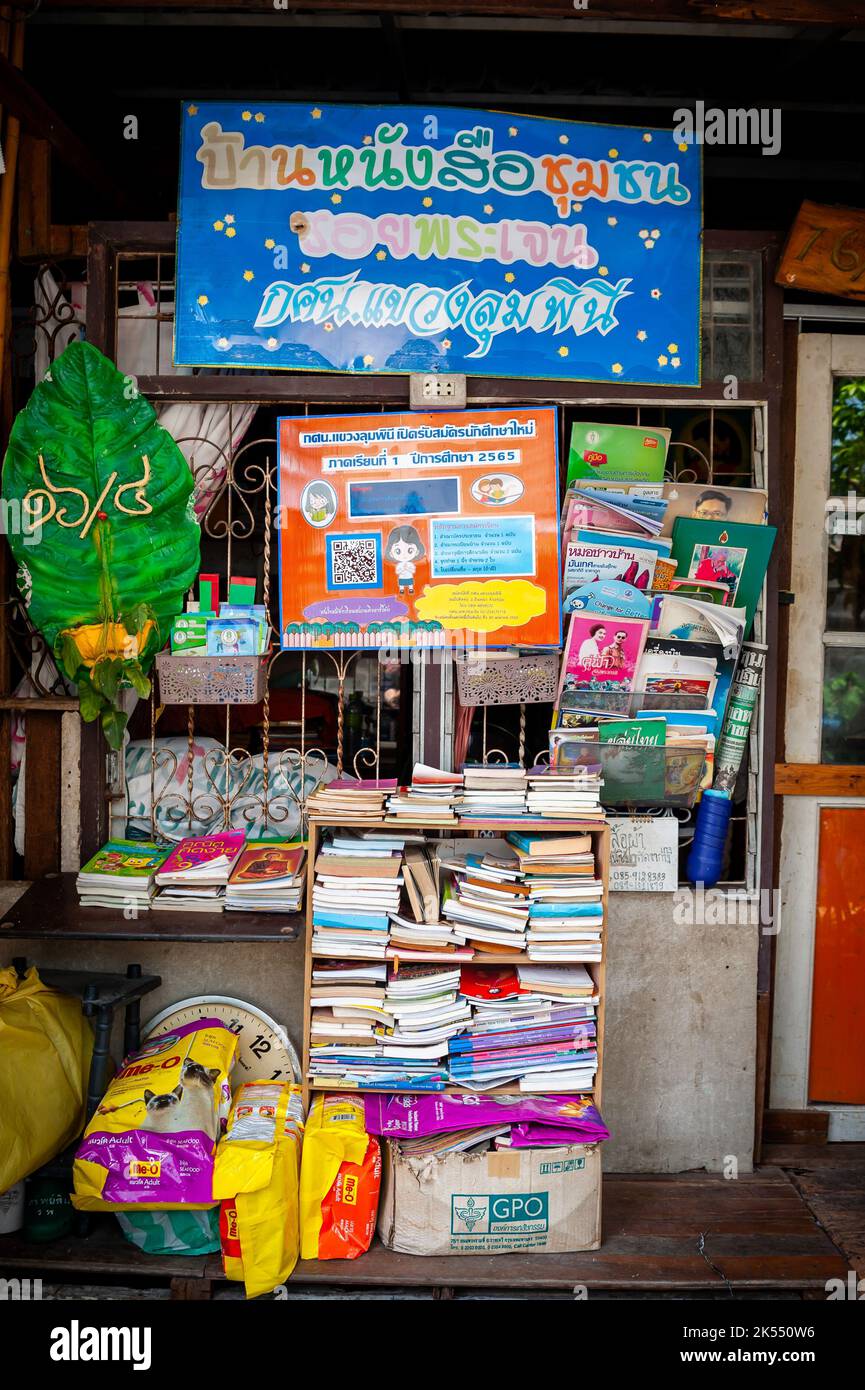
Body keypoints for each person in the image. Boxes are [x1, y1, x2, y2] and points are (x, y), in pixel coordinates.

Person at [384, 524, 425, 595]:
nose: (404, 555)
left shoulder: (410, 564)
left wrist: (408, 569)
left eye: (410, 550)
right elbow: (397, 572)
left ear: (417, 551)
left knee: (410, 584)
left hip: (409, 576)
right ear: (391, 553)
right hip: (401, 577)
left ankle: (411, 589)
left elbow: (413, 571)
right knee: (401, 584)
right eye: (398, 551)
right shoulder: (399, 565)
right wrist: (402, 569)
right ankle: (401, 590)